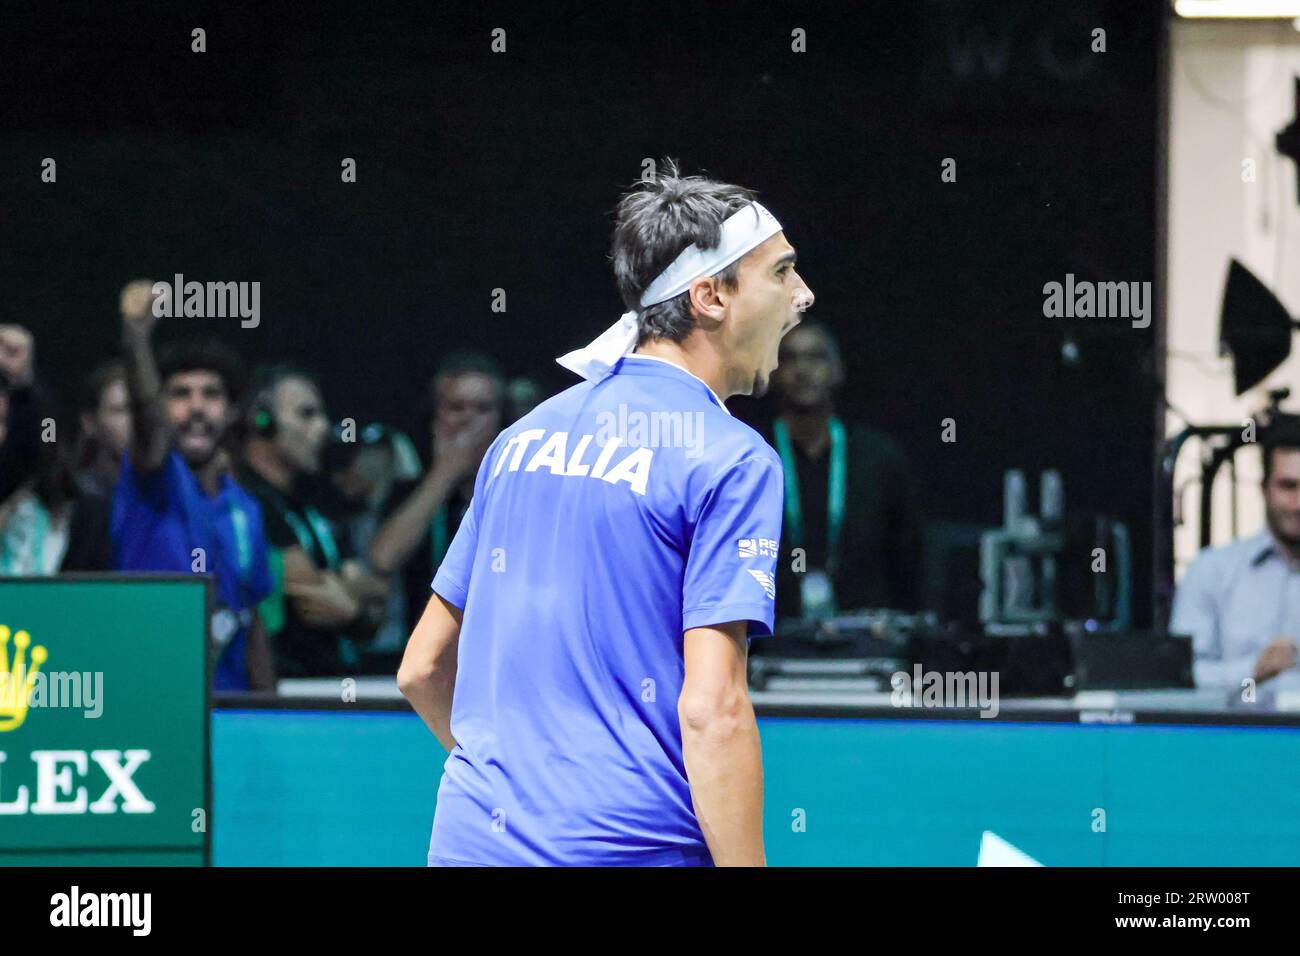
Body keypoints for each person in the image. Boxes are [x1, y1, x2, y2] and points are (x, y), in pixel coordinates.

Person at [399, 161, 813, 866]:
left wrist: (521, 798)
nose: (802, 294)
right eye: (781, 272)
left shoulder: (520, 438)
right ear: (710, 296)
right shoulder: (732, 459)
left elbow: (422, 668)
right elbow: (713, 711)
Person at [111, 279, 276, 691]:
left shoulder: (245, 510)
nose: (197, 407)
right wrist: (136, 338)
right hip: (150, 699)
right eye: (181, 394)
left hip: (230, 709)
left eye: (211, 394)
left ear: (232, 411)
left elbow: (251, 621)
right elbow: (149, 424)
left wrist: (273, 710)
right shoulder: (151, 479)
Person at [764, 319, 923, 622]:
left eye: (816, 358)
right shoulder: (750, 455)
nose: (802, 370)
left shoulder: (878, 459)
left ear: (837, 370)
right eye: (790, 358)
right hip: (770, 631)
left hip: (865, 632)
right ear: (772, 371)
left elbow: (907, 555)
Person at [238, 364, 387, 678]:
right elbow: (314, 597)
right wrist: (356, 598)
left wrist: (355, 603)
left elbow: (378, 594)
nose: (322, 427)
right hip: (286, 687)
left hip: (332, 680)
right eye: (306, 414)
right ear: (261, 420)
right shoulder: (246, 499)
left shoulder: (315, 502)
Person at [370, 353, 503, 633]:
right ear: (436, 416)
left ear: (499, 419)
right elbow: (383, 558)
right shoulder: (410, 490)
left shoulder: (513, 491)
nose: (468, 419)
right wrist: (446, 473)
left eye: (482, 408)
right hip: (422, 646)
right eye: (456, 407)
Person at [1171, 414, 1300, 696]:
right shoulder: (1211, 571)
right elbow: (1181, 675)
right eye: (1288, 486)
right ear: (1264, 489)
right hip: (1238, 724)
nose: (1298, 503)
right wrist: (1253, 669)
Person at [62, 361, 131, 571]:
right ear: (90, 422)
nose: (137, 421)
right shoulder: (73, 499)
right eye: (121, 410)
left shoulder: (171, 497)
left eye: (140, 410)